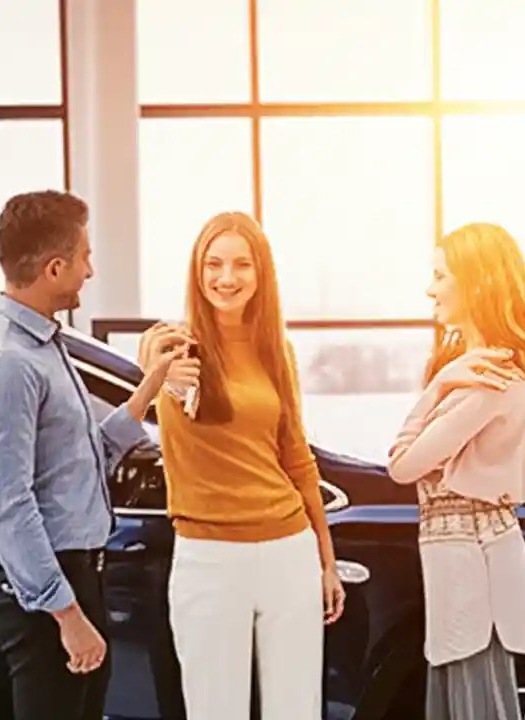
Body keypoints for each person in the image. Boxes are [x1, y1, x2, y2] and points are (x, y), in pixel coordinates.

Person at [0, 189, 189, 720]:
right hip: (46, 592)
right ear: (55, 268)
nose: (91, 269)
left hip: (74, 577)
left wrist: (147, 389)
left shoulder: (43, 347)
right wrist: (66, 614)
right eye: (85, 257)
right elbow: (9, 507)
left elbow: (85, 457)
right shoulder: (8, 364)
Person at [137, 211, 345, 720]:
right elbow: (150, 407)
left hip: (287, 551)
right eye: (214, 264)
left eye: (240, 265)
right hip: (207, 560)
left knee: (295, 712)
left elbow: (297, 459)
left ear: (260, 273)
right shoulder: (167, 347)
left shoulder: (278, 351)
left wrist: (326, 560)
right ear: (197, 269)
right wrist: (160, 379)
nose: (226, 278)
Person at [385, 222, 525, 719]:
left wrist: (437, 387)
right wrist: (444, 378)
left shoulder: (484, 379)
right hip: (469, 564)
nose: (430, 289)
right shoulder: (480, 369)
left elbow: (402, 465)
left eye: (440, 275)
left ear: (476, 283)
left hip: (471, 568)